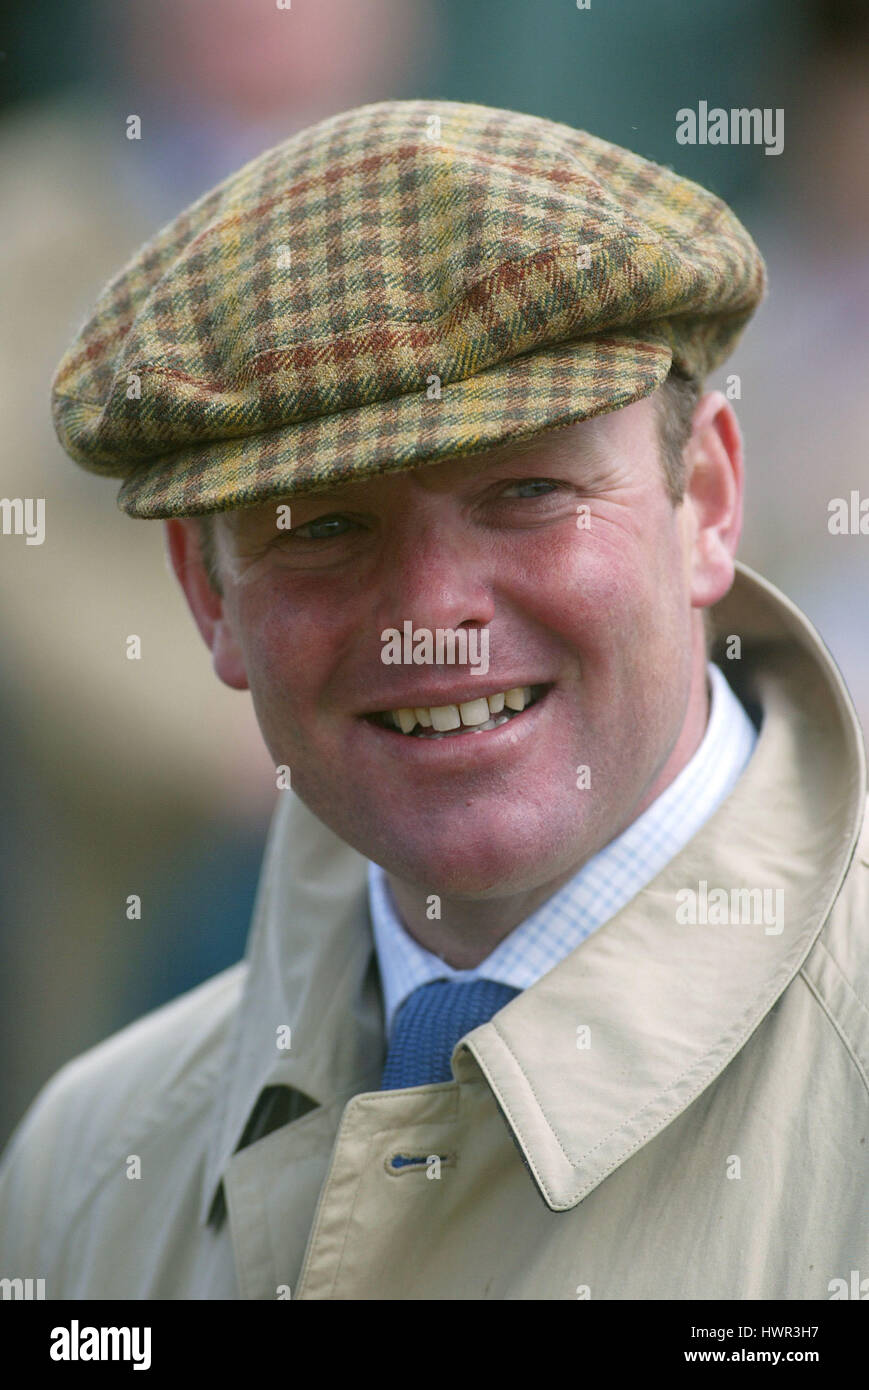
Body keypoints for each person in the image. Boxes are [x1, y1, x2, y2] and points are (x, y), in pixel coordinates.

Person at [1, 99, 866, 1301]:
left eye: (524, 489)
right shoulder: (88, 1173)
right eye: (329, 526)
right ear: (208, 595)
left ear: (706, 500)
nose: (428, 609)